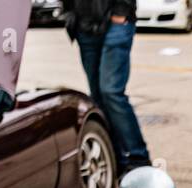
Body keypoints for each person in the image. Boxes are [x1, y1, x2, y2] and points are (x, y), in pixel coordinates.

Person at [63, 0, 151, 176]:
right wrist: (69, 13)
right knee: (97, 96)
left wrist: (121, 12)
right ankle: (116, 160)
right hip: (84, 25)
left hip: (116, 22)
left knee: (111, 91)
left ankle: (138, 158)